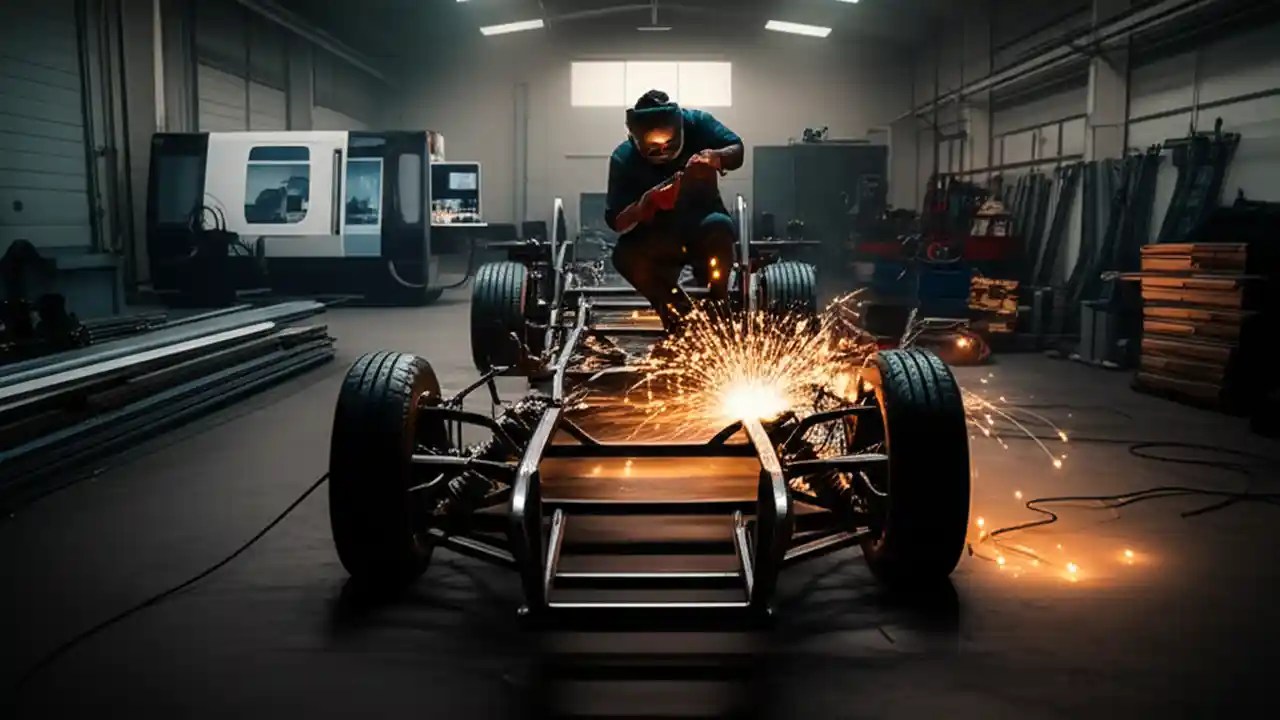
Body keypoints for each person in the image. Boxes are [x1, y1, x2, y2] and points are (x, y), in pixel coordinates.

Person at [604, 90, 745, 331]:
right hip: (658, 232)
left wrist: (715, 157)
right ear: (636, 139)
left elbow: (736, 148)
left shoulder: (698, 123)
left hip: (704, 220)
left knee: (720, 229)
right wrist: (645, 205)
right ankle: (678, 315)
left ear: (680, 129)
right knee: (625, 256)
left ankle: (720, 307)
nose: (663, 152)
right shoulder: (623, 158)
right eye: (653, 148)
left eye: (668, 144)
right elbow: (615, 220)